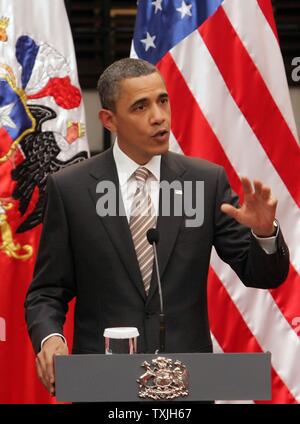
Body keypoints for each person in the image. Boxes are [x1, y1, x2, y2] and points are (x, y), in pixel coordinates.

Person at [25, 58, 289, 396]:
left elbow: (262, 275)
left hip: (186, 385)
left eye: (162, 101)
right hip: (103, 386)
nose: (158, 116)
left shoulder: (205, 182)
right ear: (109, 119)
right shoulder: (71, 189)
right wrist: (51, 338)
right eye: (140, 106)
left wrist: (264, 234)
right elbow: (47, 291)